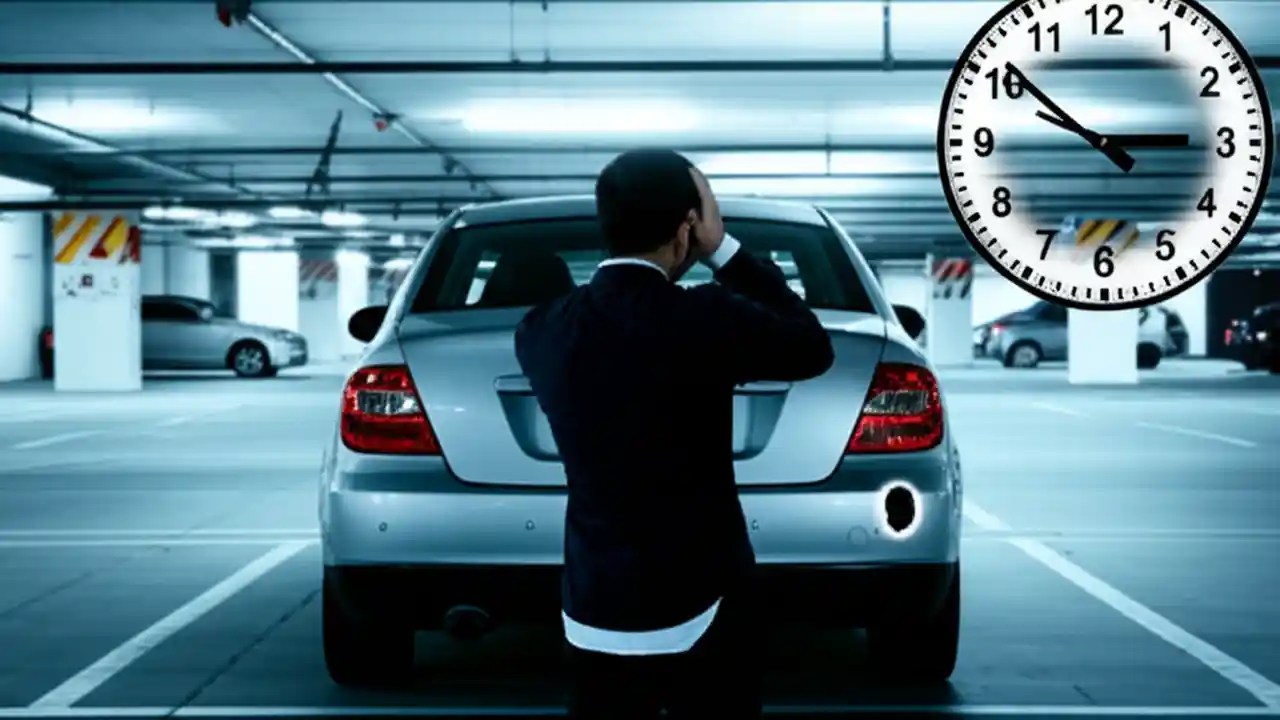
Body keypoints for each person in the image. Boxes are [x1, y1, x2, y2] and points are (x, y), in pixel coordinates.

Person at [514, 149, 835, 719]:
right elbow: (812, 346)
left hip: (592, 604)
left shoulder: (541, 329)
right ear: (689, 226)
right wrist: (726, 252)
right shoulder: (707, 316)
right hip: (704, 597)